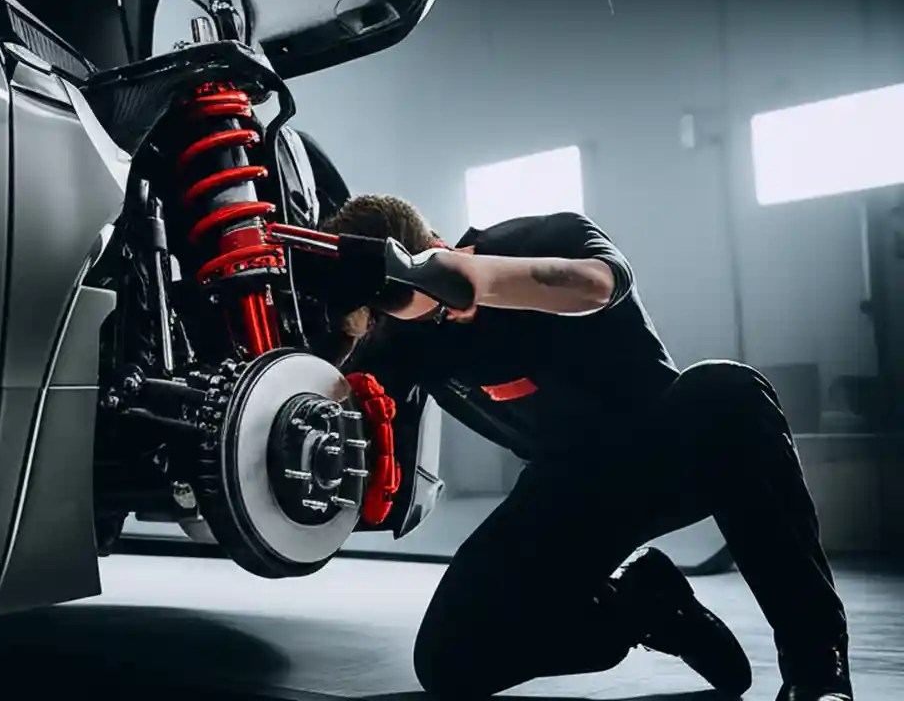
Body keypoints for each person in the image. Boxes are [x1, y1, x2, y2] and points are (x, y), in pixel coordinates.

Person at [318, 194, 853, 701]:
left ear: (434, 246)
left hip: (665, 449)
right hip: (567, 489)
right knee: (449, 661)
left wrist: (468, 280)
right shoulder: (406, 336)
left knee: (729, 390)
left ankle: (817, 670)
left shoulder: (547, 235)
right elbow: (321, 384)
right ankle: (642, 605)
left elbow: (598, 284)